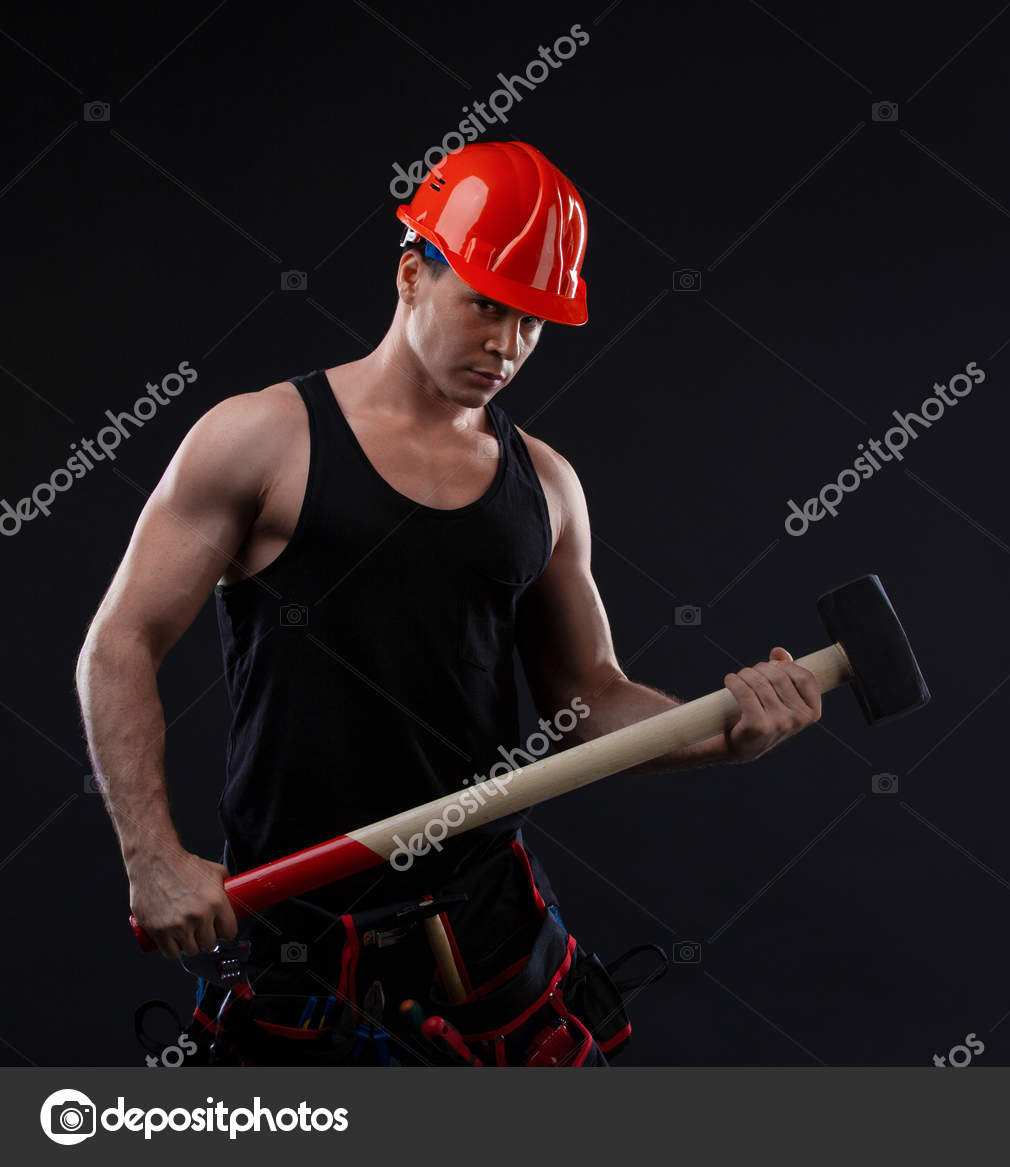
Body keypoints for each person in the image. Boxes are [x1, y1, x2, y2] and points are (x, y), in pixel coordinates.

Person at [75, 140, 823, 1066]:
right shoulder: (261, 439)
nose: (508, 345)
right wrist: (152, 854)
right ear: (410, 276)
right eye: (486, 307)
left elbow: (586, 697)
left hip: (488, 933)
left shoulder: (545, 484)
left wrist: (724, 732)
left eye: (533, 322)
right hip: (301, 932)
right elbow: (120, 642)